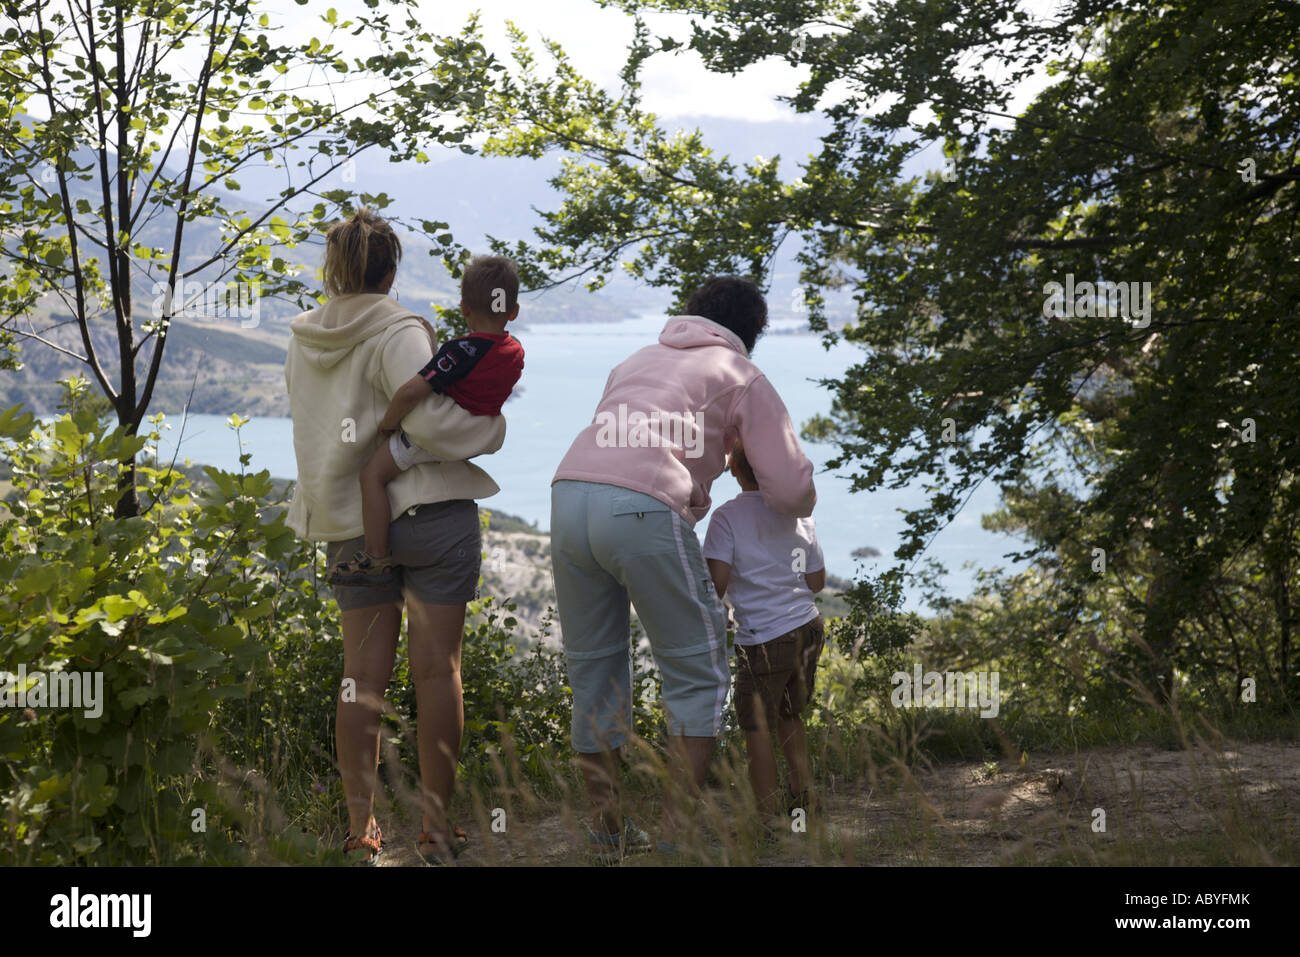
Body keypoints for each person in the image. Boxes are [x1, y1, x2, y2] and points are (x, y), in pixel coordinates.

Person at [550, 275, 816, 862]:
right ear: (752, 333)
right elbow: (792, 486)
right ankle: (674, 836)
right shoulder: (742, 374)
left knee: (594, 667)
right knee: (699, 671)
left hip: (569, 495)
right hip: (645, 508)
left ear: (692, 314)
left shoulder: (636, 358)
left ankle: (606, 832)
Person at [284, 208, 506, 865]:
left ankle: (361, 832)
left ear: (335, 268)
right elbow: (433, 421)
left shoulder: (302, 339)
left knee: (359, 678)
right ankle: (434, 829)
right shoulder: (397, 327)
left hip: (351, 524)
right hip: (430, 513)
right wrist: (489, 430)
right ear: (390, 269)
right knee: (438, 670)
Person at [327, 255, 524, 586]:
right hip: (472, 440)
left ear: (464, 308)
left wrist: (389, 424)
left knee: (371, 476)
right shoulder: (515, 350)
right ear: (513, 311)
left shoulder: (461, 350)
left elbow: (410, 392)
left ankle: (376, 554)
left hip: (425, 440)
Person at [702, 440, 826, 826]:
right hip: (807, 627)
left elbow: (716, 585)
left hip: (764, 639)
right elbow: (816, 580)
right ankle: (802, 806)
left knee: (756, 727)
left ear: (734, 469)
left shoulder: (726, 518)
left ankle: (767, 818)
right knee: (791, 715)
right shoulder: (798, 514)